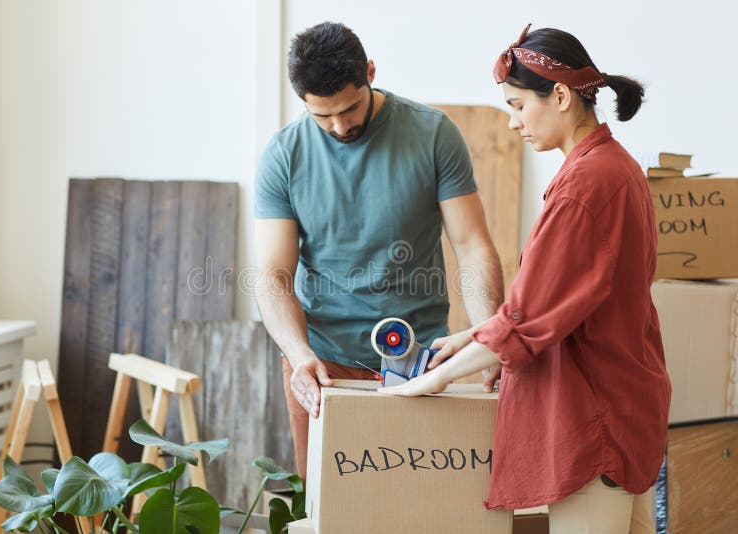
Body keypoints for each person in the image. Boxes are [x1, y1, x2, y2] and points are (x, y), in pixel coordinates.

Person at [380, 24, 671, 533]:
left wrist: (433, 379)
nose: (513, 123)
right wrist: (475, 334)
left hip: (593, 419)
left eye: (518, 105)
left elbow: (529, 317)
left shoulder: (585, 184)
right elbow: (571, 297)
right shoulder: (615, 166)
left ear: (559, 96)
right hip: (625, 406)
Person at [253, 21, 503, 480]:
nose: (339, 126)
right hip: (321, 367)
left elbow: (471, 246)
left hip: (421, 361)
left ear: (370, 72)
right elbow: (273, 273)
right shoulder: (283, 155)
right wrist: (299, 353)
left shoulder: (433, 134)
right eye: (322, 116)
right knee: (328, 508)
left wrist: (491, 338)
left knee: (420, 504)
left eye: (349, 108)